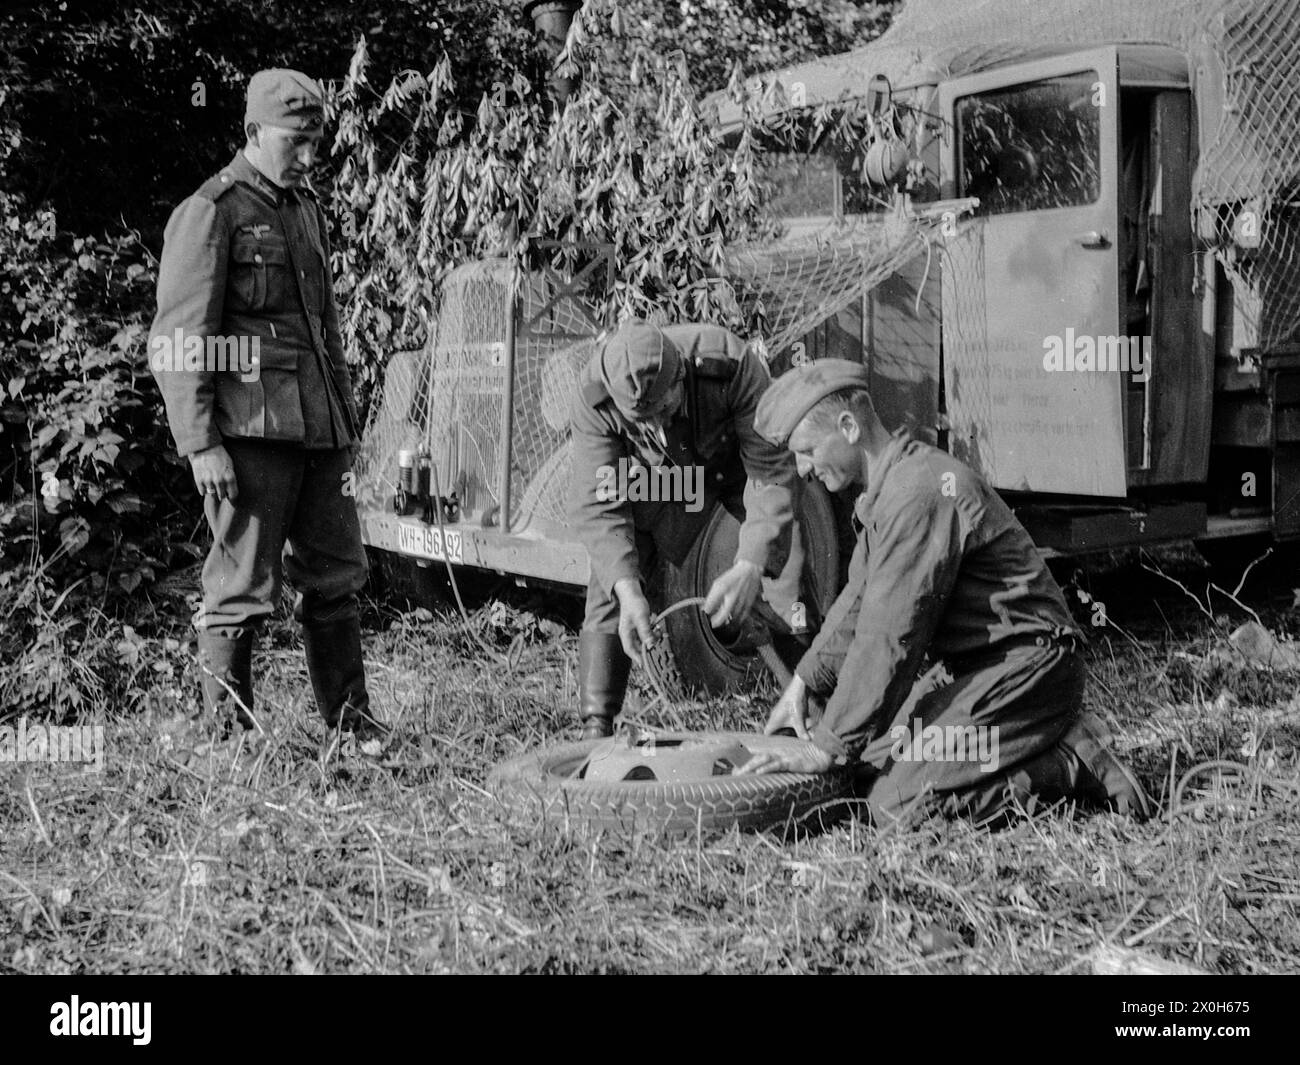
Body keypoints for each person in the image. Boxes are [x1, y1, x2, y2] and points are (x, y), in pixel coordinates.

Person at [736, 359, 1150, 823]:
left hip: (1027, 670)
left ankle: (1070, 762)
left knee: (896, 805)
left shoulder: (917, 493)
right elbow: (856, 608)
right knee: (868, 766)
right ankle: (1024, 744)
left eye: (807, 450)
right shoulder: (890, 490)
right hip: (972, 670)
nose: (803, 469)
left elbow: (889, 636)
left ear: (849, 427)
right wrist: (805, 683)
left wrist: (828, 746)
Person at [149, 69, 384, 746]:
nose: (309, 155)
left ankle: (352, 725)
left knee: (337, 577)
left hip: (320, 432)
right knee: (242, 587)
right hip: (250, 434)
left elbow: (326, 328)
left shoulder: (304, 209)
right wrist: (201, 443)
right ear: (254, 133)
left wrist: (347, 423)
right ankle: (229, 741)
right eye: (295, 140)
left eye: (316, 140)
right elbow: (179, 339)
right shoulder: (212, 212)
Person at [568, 320, 802, 738]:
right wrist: (629, 590)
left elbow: (771, 472)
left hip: (733, 465)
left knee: (782, 574)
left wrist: (750, 564)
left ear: (681, 375)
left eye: (664, 409)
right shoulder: (595, 395)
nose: (656, 426)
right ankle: (596, 725)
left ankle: (810, 700)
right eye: (642, 420)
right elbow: (601, 505)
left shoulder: (727, 364)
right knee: (614, 572)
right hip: (661, 479)